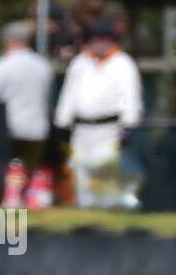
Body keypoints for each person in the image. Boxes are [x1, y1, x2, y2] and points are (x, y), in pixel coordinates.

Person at [53, 19, 144, 209]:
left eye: (105, 38)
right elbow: (69, 93)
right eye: (96, 38)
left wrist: (129, 125)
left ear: (112, 40)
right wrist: (62, 121)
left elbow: (130, 94)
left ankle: (106, 208)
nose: (100, 43)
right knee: (80, 167)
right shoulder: (81, 62)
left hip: (109, 127)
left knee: (105, 168)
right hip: (82, 127)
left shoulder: (122, 63)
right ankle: (85, 207)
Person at [0, 21, 53, 206]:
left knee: (12, 172)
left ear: (8, 41)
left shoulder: (3, 65)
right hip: (38, 127)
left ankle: (13, 203)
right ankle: (32, 203)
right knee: (29, 171)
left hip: (10, 127)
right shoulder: (43, 65)